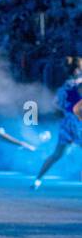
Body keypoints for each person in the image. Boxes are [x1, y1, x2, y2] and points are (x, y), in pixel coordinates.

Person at [32, 56, 82, 189]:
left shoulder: (63, 87)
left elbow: (55, 104)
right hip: (78, 122)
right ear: (77, 69)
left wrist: (66, 111)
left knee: (56, 155)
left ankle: (38, 179)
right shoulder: (80, 84)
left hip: (66, 123)